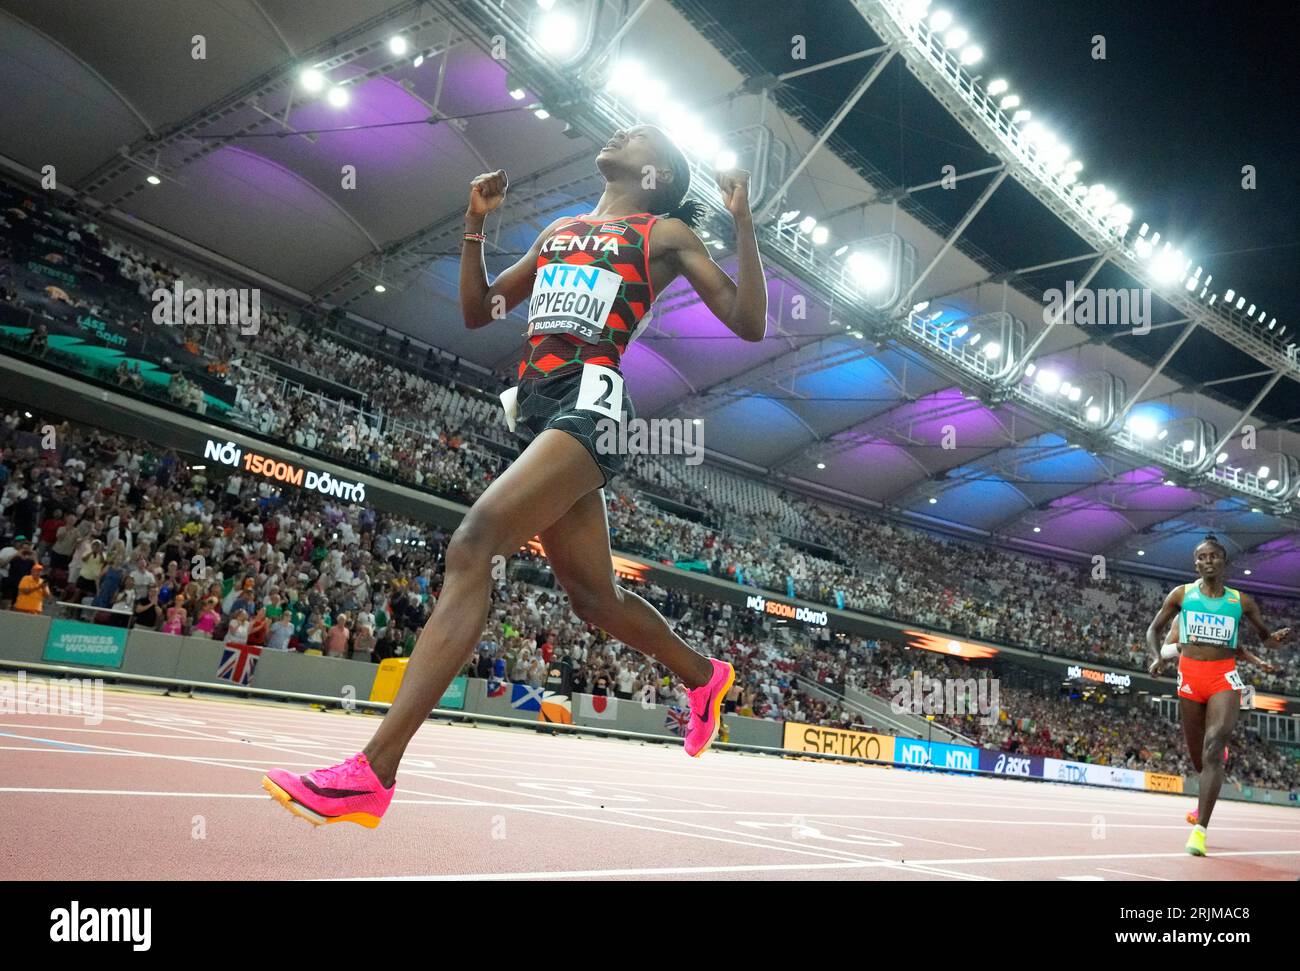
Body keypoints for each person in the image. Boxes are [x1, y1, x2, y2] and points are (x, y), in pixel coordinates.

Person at [264, 124, 767, 827]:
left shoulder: (664, 234)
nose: (619, 129)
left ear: (657, 169)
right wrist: (474, 226)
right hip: (536, 410)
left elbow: (747, 321)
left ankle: (372, 772)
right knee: (594, 597)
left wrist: (743, 225)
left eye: (639, 132)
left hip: (591, 404)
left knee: (474, 543)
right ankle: (702, 674)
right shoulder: (561, 230)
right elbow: (482, 310)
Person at [1146, 534, 1291, 856]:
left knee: (1213, 747)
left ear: (1224, 561)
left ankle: (1200, 831)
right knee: (1200, 759)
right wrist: (1157, 657)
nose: (1207, 561)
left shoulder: (1241, 601)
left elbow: (1263, 638)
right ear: (1196, 563)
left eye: (1213, 556)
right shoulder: (1182, 594)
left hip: (1223, 678)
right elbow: (1153, 630)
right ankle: (1204, 796)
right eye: (1201, 557)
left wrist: (1274, 642)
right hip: (1189, 679)